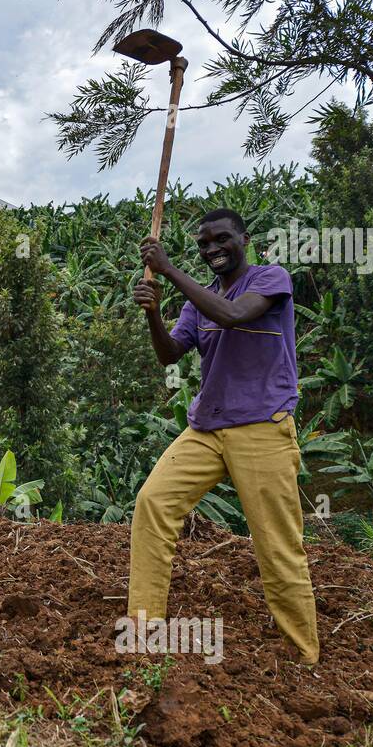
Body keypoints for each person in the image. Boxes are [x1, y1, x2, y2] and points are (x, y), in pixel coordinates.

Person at [130, 208, 319, 664]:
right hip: (207, 428)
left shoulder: (271, 280)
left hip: (262, 427)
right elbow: (169, 354)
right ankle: (143, 630)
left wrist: (169, 269)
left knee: (276, 542)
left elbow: (235, 315)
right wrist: (154, 314)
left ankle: (303, 655)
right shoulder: (197, 304)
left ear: (244, 239)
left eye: (221, 239)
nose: (212, 248)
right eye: (204, 243)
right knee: (153, 504)